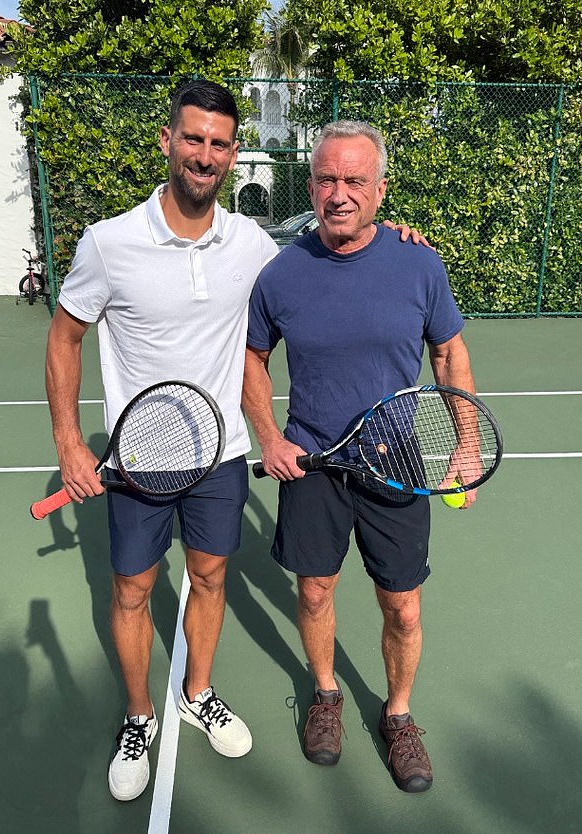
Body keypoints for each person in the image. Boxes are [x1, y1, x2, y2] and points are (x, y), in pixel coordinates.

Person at [44, 80, 424, 802]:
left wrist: (403, 238)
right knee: (131, 590)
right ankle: (138, 716)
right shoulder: (109, 243)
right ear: (167, 141)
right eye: (193, 138)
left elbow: (336, 242)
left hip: (219, 458)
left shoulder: (250, 243)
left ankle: (198, 691)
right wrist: (69, 441)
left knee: (211, 578)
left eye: (220, 144)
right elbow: (65, 338)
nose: (206, 154)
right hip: (138, 458)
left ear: (230, 155)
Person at [242, 120, 480, 794]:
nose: (338, 193)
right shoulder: (281, 275)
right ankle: (325, 696)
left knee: (402, 607)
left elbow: (449, 354)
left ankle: (398, 715)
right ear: (310, 184)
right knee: (315, 591)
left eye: (354, 180)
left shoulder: (418, 262)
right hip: (314, 462)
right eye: (326, 178)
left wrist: (464, 441)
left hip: (397, 455)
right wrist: (269, 436)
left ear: (379, 190)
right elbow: (253, 361)